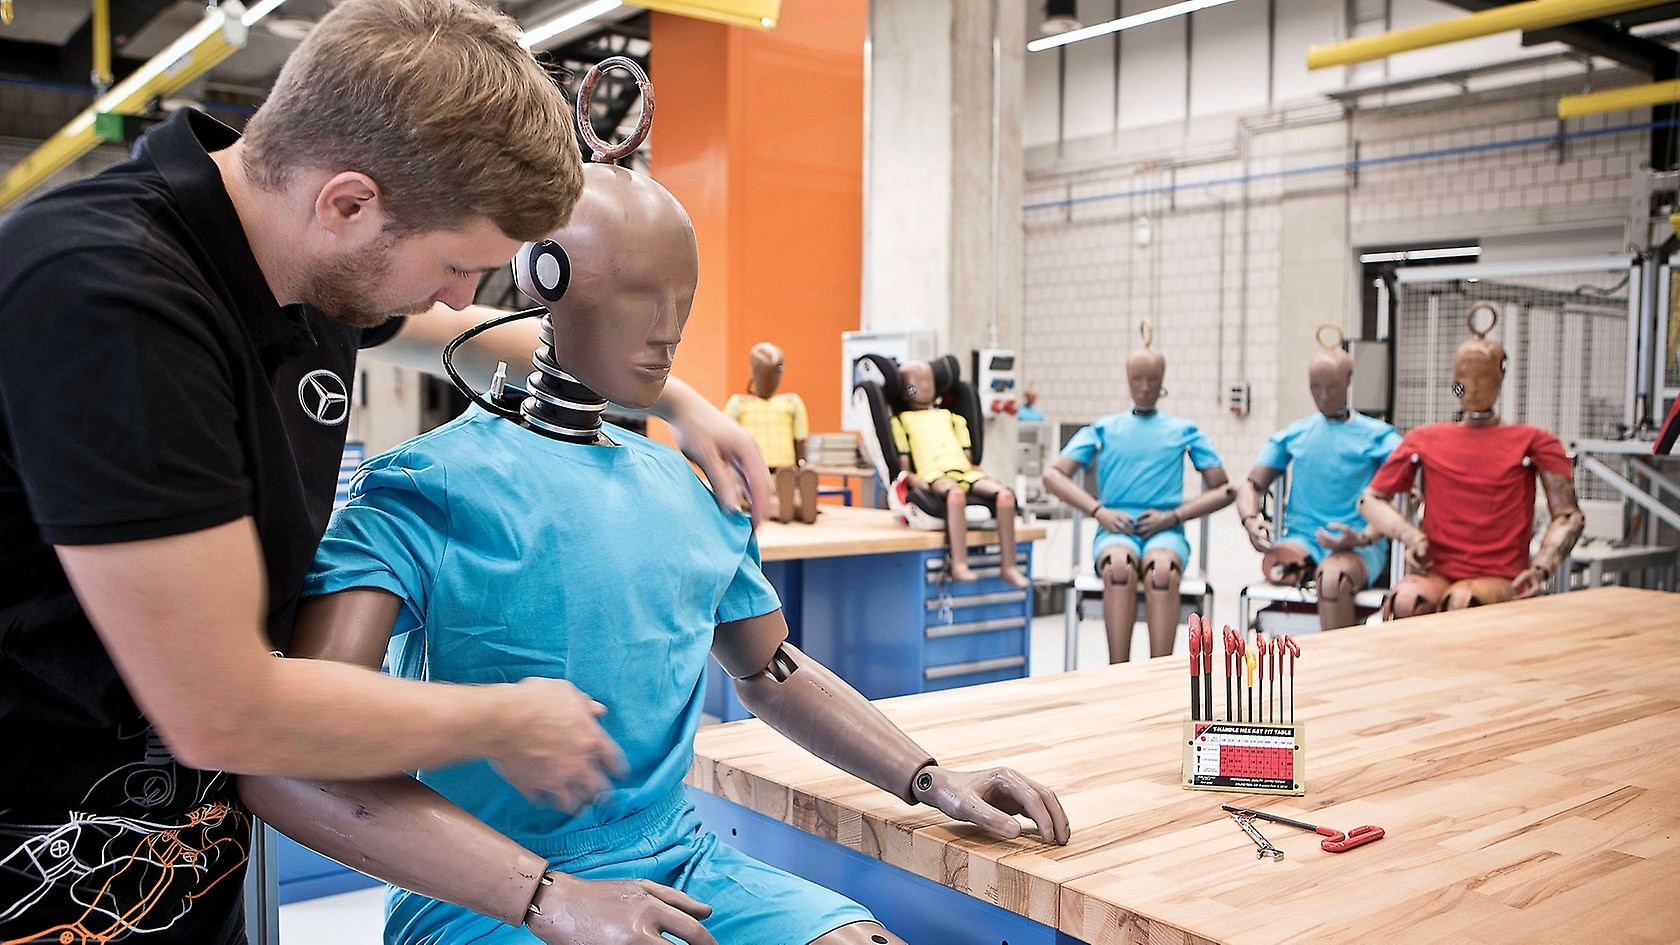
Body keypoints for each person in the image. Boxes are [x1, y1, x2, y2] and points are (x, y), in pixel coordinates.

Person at [0, 2, 769, 941]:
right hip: (41, 867)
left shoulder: (294, 256)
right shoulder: (108, 300)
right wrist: (500, 720)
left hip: (178, 869)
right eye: (454, 263)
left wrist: (676, 400)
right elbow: (222, 709)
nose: (457, 295)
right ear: (349, 201)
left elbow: (455, 334)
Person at [238, 157, 1071, 945]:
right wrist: (543, 893)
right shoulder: (424, 488)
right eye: (641, 294)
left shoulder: (677, 489)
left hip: (680, 854)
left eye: (684, 297)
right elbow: (303, 752)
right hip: (475, 883)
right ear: (549, 285)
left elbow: (770, 667)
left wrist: (928, 777)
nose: (670, 329)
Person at [1358, 304, 1585, 617]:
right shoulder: (1425, 438)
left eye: (1484, 376)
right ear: (1454, 382)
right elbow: (1370, 500)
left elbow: (1568, 515)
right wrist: (1412, 536)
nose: (1473, 386)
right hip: (1437, 570)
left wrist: (1542, 567)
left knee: (1463, 601)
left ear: (1500, 379)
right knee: (1405, 600)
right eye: (1464, 376)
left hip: (1499, 576)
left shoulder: (1533, 441)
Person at [1042, 323, 1233, 662]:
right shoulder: (1104, 428)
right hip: (1115, 530)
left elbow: (1225, 489)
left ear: (1163, 382)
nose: (1145, 388)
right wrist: (1098, 511)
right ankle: (1119, 672)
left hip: (1166, 531)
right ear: (1127, 379)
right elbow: (1053, 475)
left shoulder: (1182, 430)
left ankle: (1161, 674)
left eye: (1153, 380)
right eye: (1137, 380)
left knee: (1162, 572)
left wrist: (1174, 516)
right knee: (1118, 568)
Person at [1233, 333, 1402, 631]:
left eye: (1332, 387)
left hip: (1358, 544)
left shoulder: (1380, 438)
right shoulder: (1295, 435)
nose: (1323, 396)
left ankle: (1336, 669)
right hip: (1303, 541)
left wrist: (1365, 537)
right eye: (1316, 388)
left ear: (1348, 381)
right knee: (1277, 566)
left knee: (1333, 579)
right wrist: (1250, 520)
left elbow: (1408, 497)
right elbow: (1251, 485)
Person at [889, 358, 1033, 587]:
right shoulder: (901, 422)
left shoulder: (952, 418)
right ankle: (959, 564)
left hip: (964, 471)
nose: (923, 386)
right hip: (933, 472)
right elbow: (905, 467)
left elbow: (968, 459)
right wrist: (916, 481)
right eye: (915, 383)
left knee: (1005, 495)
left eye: (927, 380)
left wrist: (985, 475)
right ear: (906, 389)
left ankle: (1009, 566)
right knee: (955, 494)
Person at [725, 342, 819, 523]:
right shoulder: (790, 402)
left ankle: (780, 507)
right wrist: (802, 461)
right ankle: (793, 506)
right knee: (776, 490)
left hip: (759, 466)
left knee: (755, 496)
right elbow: (799, 437)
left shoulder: (740, 403)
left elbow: (725, 438)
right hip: (771, 467)